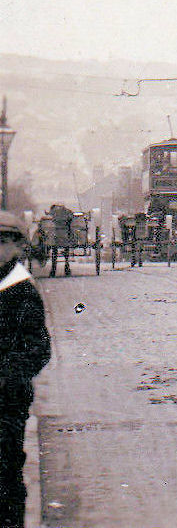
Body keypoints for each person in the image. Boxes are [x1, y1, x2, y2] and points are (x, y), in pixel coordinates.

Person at [0, 211, 50, 528]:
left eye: (4, 242)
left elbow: (39, 349)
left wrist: (7, 374)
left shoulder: (22, 290)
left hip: (7, 401)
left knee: (5, 479)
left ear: (18, 247)